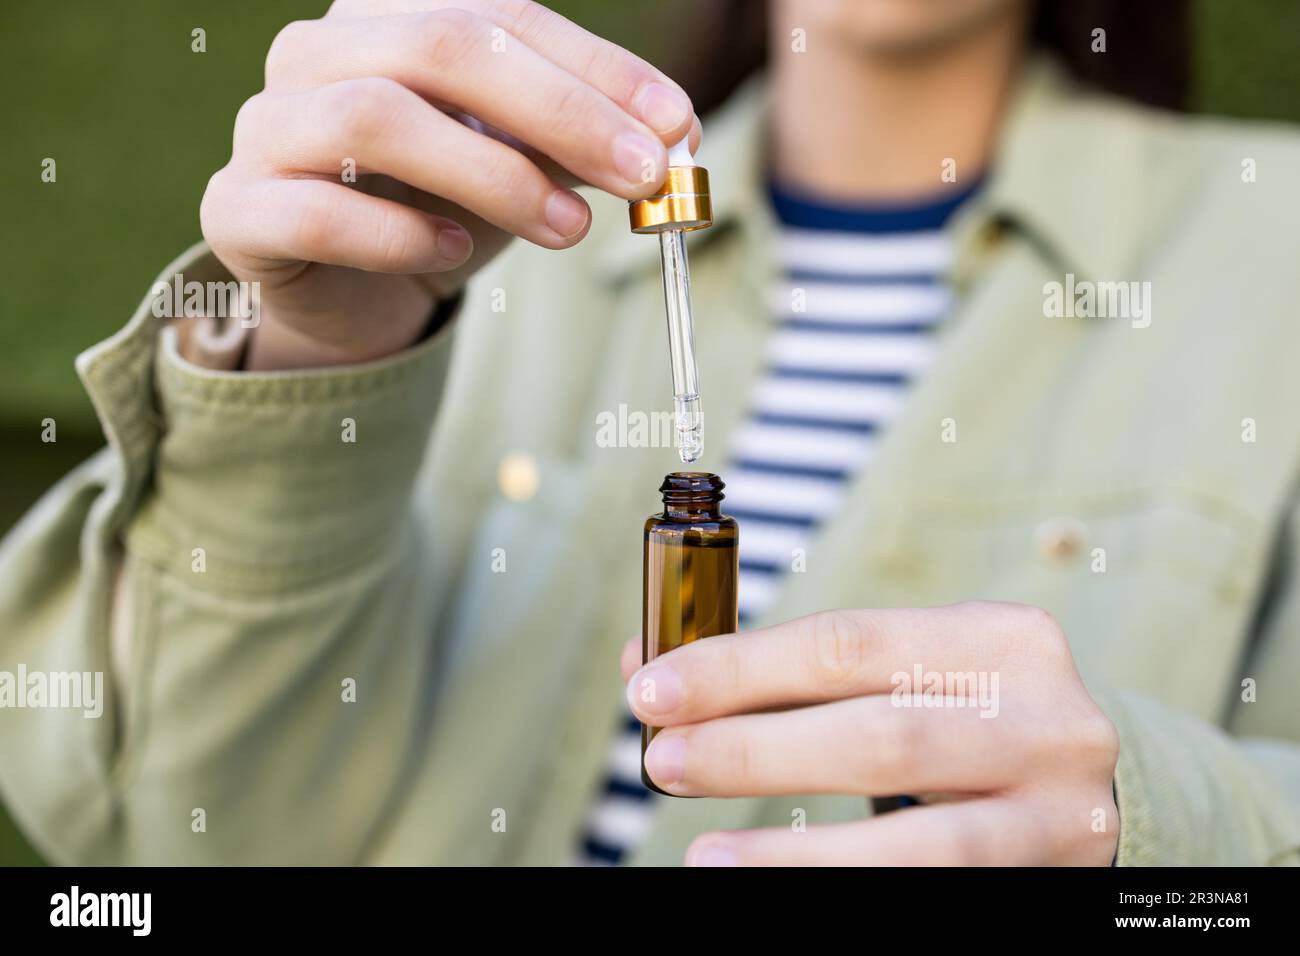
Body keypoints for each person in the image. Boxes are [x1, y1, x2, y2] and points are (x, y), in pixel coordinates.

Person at [1, 0, 1298, 866]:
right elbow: (184, 827)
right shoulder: (477, 237)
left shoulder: (1268, 248)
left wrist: (1169, 832)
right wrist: (314, 362)